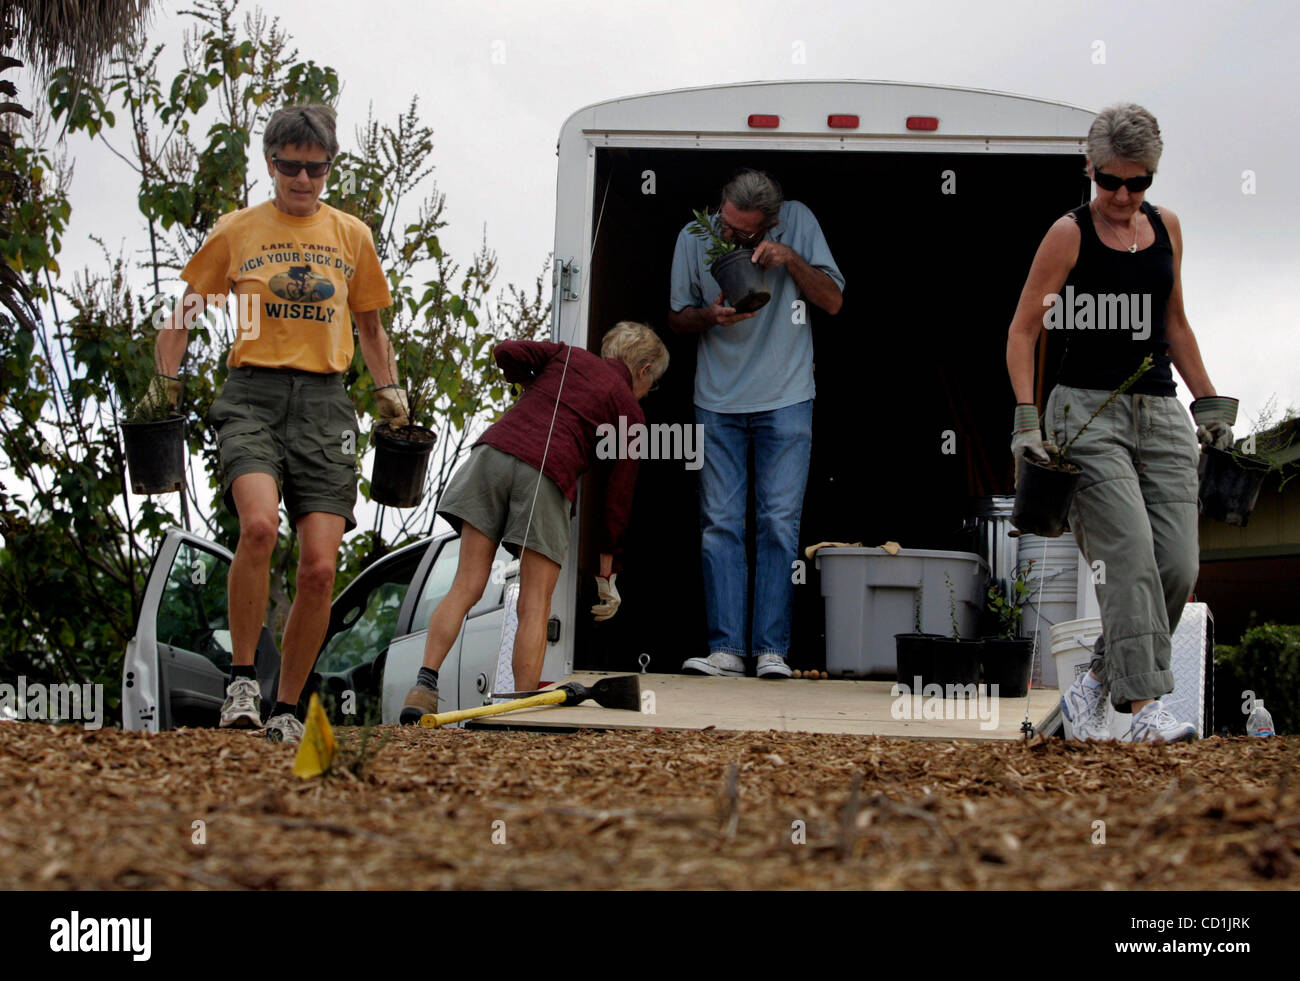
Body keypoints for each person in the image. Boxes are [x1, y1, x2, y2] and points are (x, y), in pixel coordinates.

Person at [143, 104, 403, 743]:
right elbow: (186, 309)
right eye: (290, 167)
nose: (303, 180)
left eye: (315, 169)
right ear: (270, 164)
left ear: (328, 169)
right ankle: (239, 681)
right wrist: (163, 382)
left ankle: (286, 707)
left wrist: (391, 391)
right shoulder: (237, 230)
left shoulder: (353, 236)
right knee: (258, 527)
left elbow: (370, 324)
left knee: (319, 565)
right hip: (251, 395)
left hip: (327, 405)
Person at [1005, 103, 1237, 742]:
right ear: (1090, 168)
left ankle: (1091, 689)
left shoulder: (1168, 229)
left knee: (1177, 566)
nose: (1123, 195)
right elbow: (1024, 329)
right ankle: (1143, 714)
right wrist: (1028, 419)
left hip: (1161, 414)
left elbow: (1175, 324)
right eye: (1111, 181)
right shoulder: (1068, 234)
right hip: (1086, 415)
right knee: (1129, 558)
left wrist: (1210, 406)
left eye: (1139, 183)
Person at [400, 321, 668, 722]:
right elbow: (618, 497)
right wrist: (606, 571)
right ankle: (519, 712)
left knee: (467, 583)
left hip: (491, 454)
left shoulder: (566, 355)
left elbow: (506, 350)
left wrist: (528, 383)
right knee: (534, 602)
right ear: (643, 369)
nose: (648, 392)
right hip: (546, 474)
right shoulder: (629, 409)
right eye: (653, 383)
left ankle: (424, 686)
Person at [668, 169, 844, 679]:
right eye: (724, 222)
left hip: (787, 399)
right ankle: (725, 650)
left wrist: (789, 260)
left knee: (776, 524)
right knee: (720, 526)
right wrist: (709, 317)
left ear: (772, 223)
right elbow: (677, 316)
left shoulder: (801, 223)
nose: (727, 235)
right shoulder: (692, 235)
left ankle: (772, 650)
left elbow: (833, 301)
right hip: (717, 402)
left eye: (740, 233)